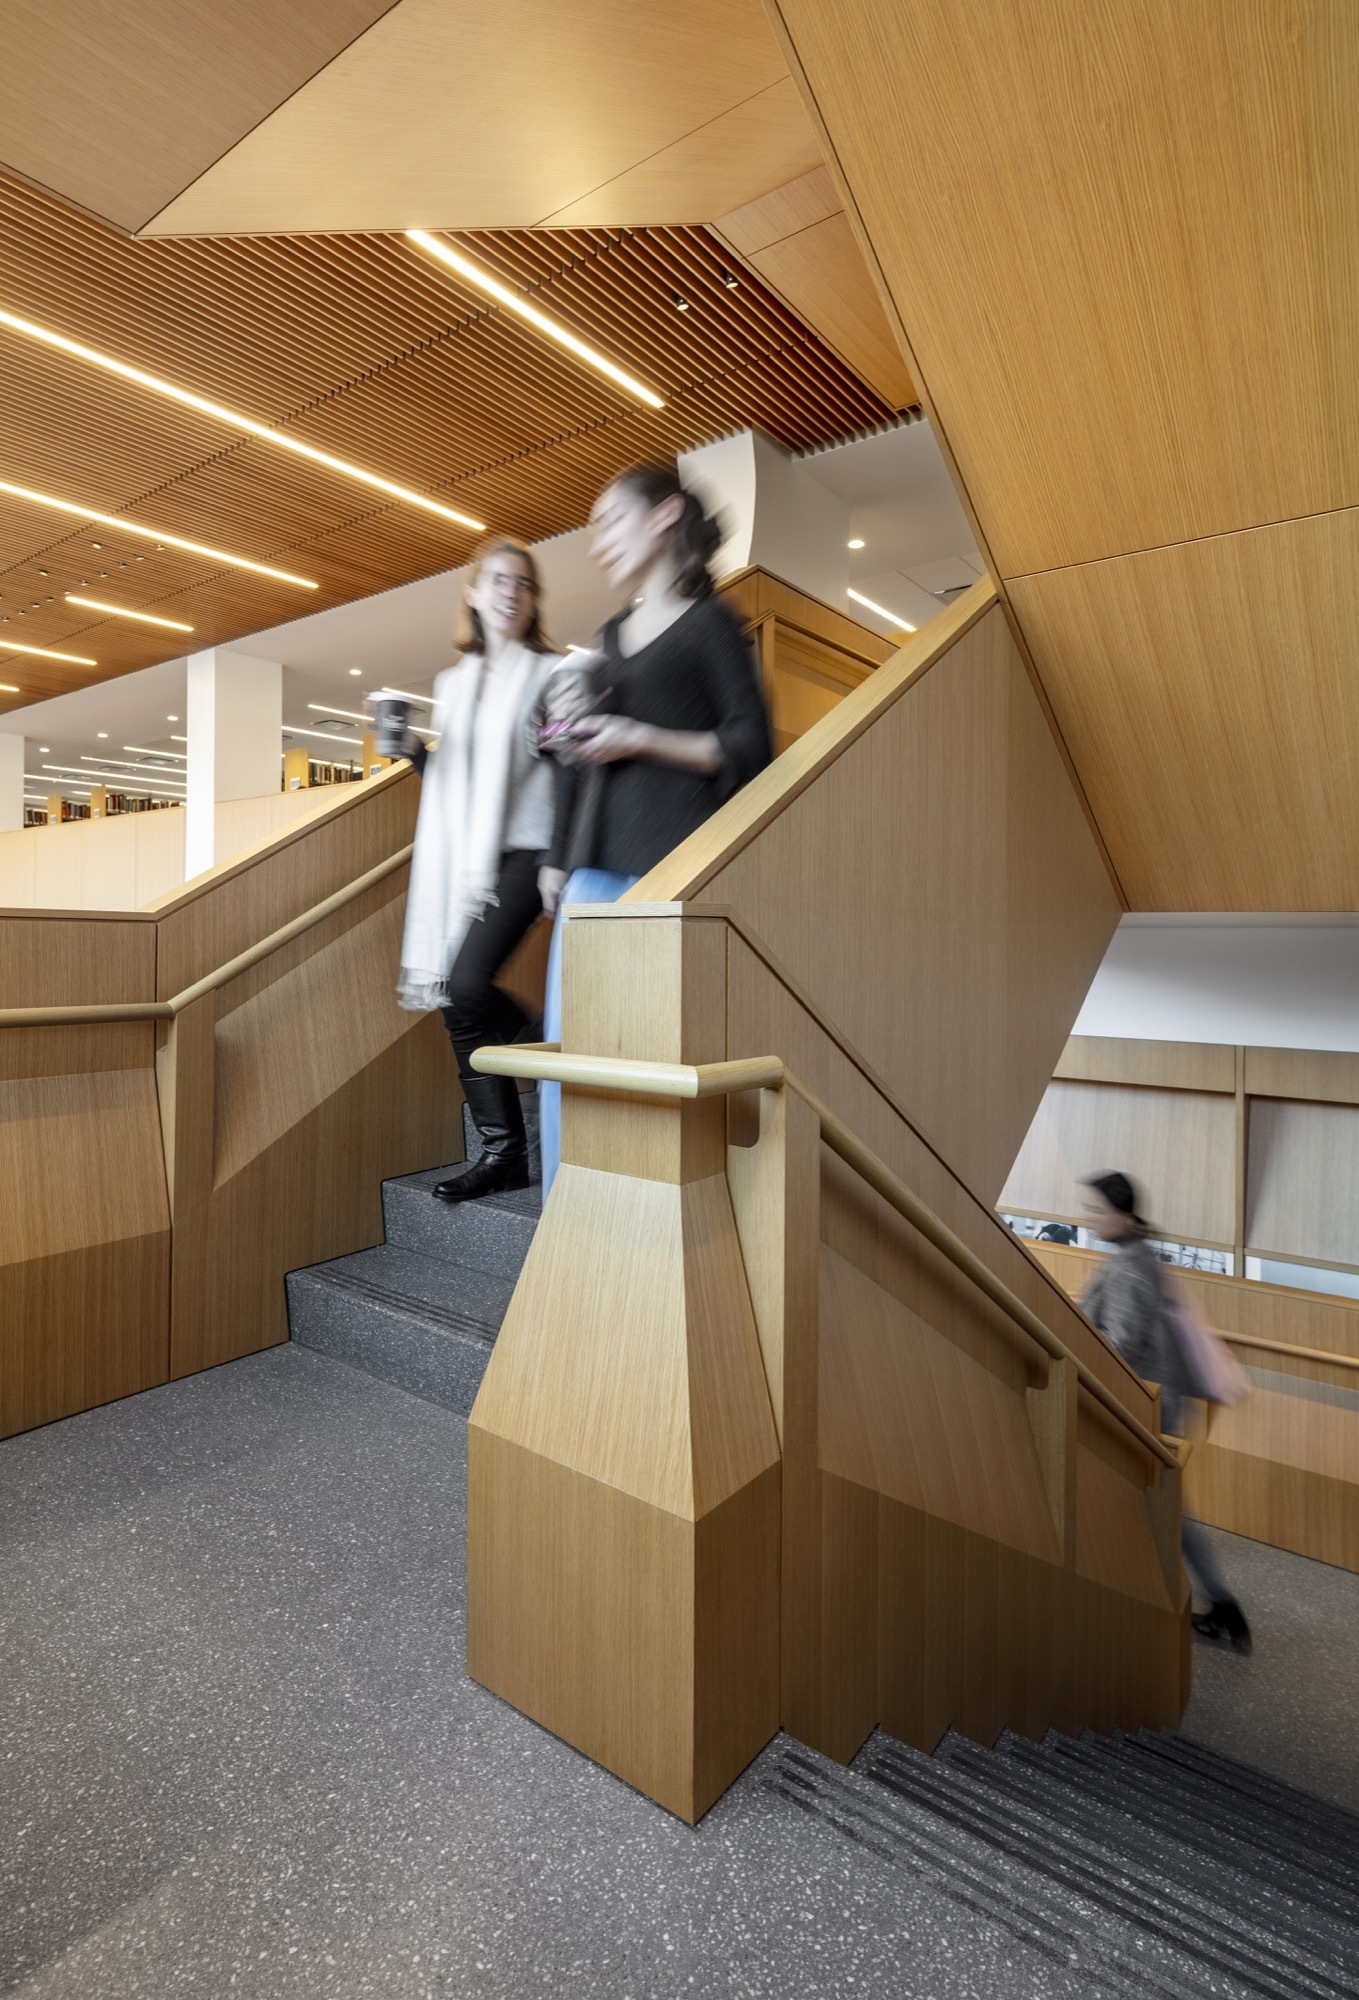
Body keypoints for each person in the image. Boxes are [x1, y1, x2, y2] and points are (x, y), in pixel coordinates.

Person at [537, 462, 773, 1193]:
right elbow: (581, 760)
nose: (598, 540)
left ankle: (642, 1227)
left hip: (671, 871)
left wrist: (640, 737)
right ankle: (565, 1215)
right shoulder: (607, 636)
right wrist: (554, 854)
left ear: (665, 514)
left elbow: (749, 746)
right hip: (591, 867)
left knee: (649, 1064)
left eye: (609, 519)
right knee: (569, 1062)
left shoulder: (710, 624)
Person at [396, 538, 563, 1202]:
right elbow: (455, 785)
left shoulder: (551, 676)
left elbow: (567, 771)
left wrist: (557, 860)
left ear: (532, 600)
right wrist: (415, 753)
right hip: (465, 861)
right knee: (455, 1004)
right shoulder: (453, 685)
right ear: (471, 592)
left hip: (527, 854)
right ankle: (502, 1154)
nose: (510, 592)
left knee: (466, 986)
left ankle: (554, 1052)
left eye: (523, 583)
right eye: (497, 580)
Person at [1080, 1171, 1252, 1653]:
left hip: (1147, 1407)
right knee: (1165, 1508)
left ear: (1124, 1215)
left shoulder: (1132, 1266)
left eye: (1095, 1209)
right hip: (1159, 1403)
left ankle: (1206, 1605)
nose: (1087, 1216)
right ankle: (1215, 1606)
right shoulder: (1137, 1257)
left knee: (1162, 1510)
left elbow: (1120, 1343)